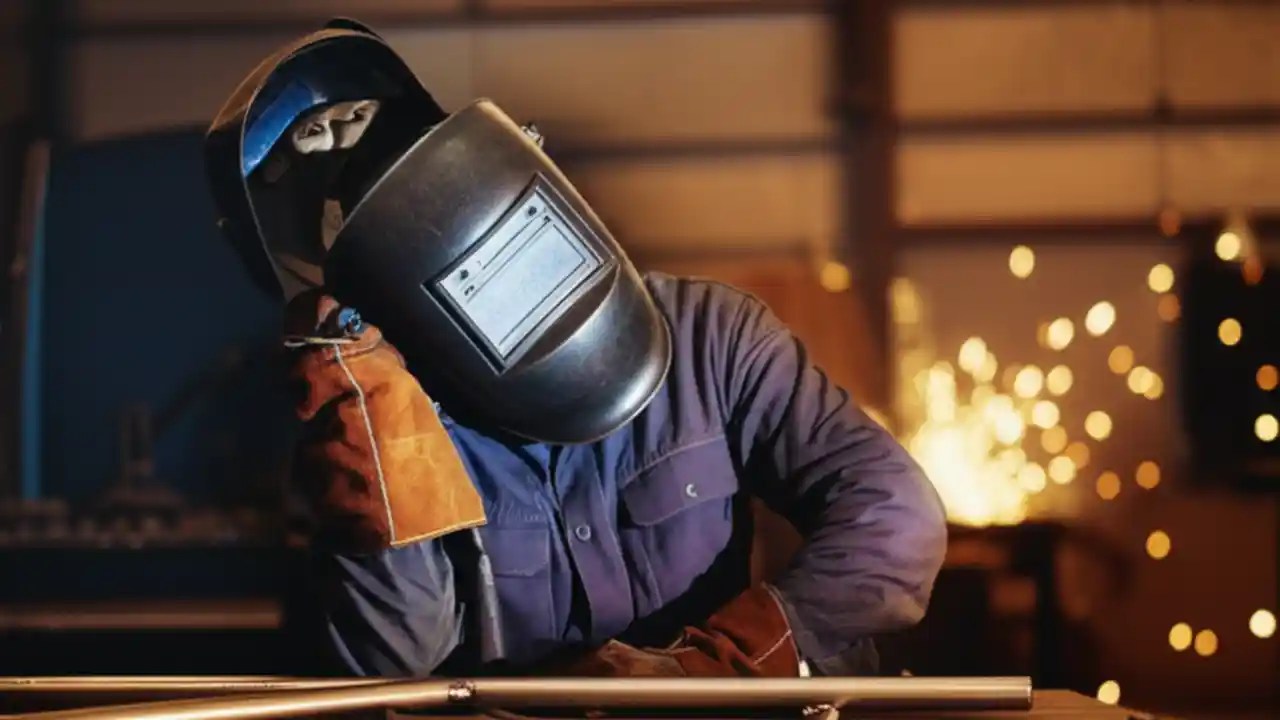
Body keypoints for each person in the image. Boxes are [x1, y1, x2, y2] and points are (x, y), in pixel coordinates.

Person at [204, 18, 947, 679]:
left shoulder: (709, 339)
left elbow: (897, 518)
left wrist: (714, 665)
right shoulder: (396, 413)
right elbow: (393, 662)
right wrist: (372, 448)